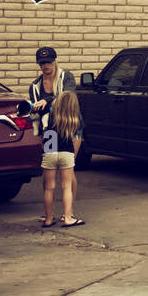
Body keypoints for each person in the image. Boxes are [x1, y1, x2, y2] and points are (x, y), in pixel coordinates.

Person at [28, 47, 77, 225]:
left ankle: (67, 214)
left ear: (55, 60)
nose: (45, 66)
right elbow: (36, 114)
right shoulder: (35, 86)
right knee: (49, 179)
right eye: (42, 63)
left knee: (68, 173)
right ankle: (50, 216)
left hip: (69, 128)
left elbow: (68, 95)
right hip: (49, 133)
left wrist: (47, 101)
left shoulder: (66, 77)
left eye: (48, 61)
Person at [41, 91, 85, 226]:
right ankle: (68, 217)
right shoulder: (74, 121)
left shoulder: (48, 116)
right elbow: (76, 138)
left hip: (50, 151)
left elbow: (45, 135)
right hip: (67, 153)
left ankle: (48, 219)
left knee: (49, 188)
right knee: (66, 187)